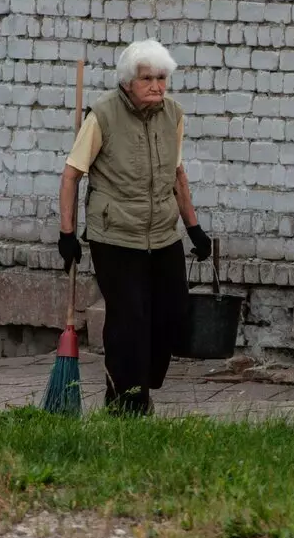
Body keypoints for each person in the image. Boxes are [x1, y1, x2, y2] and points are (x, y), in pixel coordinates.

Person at [57, 39, 212, 416]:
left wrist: (194, 229)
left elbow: (177, 174)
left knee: (172, 313)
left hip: (161, 233)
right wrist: (66, 234)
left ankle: (140, 383)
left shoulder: (173, 114)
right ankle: (128, 402)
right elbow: (71, 175)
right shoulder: (104, 115)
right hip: (114, 235)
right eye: (148, 79)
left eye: (162, 78)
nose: (157, 86)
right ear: (128, 82)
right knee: (129, 320)